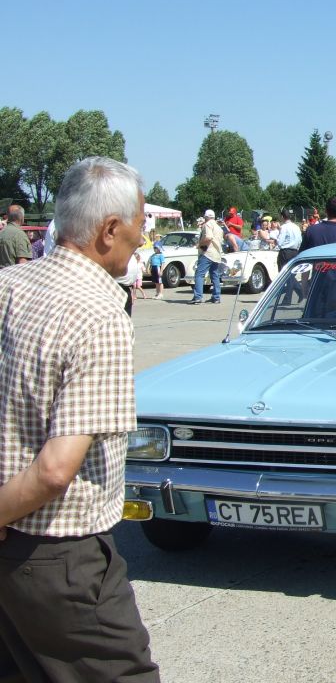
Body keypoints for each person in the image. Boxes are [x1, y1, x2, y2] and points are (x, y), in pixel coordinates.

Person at [0, 156, 160, 681]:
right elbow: (55, 470)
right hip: (59, 557)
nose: (141, 239)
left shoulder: (9, 286)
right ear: (109, 229)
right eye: (138, 225)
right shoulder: (100, 311)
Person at [191, 208, 224, 305]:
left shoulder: (208, 225)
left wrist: (199, 244)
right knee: (214, 275)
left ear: (206, 217)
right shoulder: (219, 227)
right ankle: (216, 297)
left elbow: (209, 237)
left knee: (199, 274)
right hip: (217, 254)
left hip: (207, 253)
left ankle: (198, 297)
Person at [0, 204, 31, 269]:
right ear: (22, 217)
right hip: (12, 276)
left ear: (8, 217)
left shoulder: (1, 232)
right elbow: (22, 263)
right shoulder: (20, 235)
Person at [151, 233, 165, 298]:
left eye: (156, 248)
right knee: (156, 282)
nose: (155, 249)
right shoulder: (153, 255)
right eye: (154, 248)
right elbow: (151, 262)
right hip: (153, 268)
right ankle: (157, 293)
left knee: (160, 282)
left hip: (158, 268)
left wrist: (161, 271)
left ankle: (161, 293)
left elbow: (163, 263)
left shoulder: (161, 255)